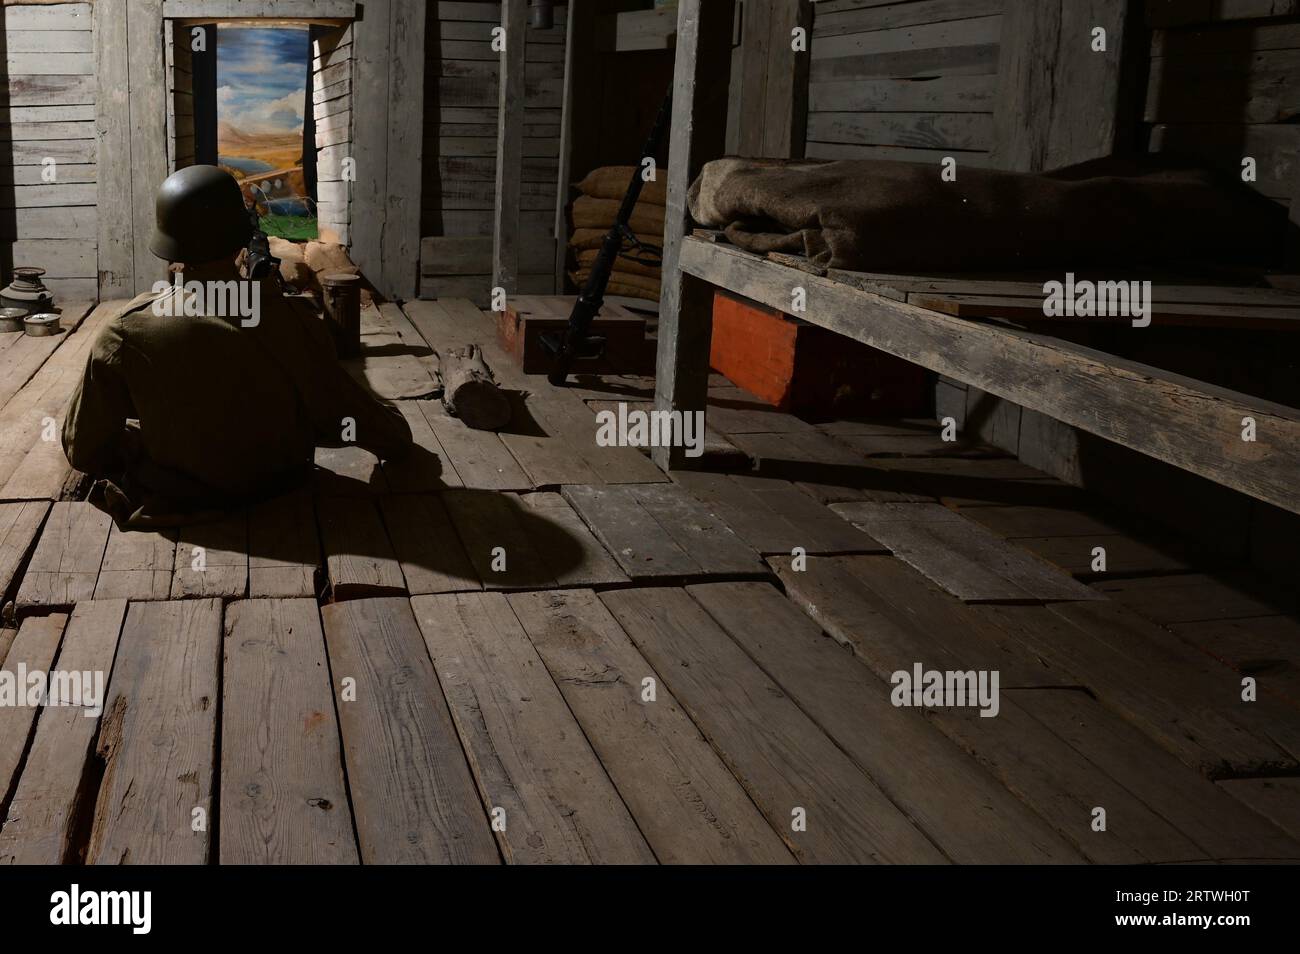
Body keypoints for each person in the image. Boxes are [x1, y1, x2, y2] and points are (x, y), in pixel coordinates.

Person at [62, 165, 412, 528]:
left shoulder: (125, 329)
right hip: (281, 495)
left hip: (179, 498)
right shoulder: (292, 321)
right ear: (238, 242)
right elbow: (362, 424)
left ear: (169, 246)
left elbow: (81, 448)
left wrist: (148, 441)